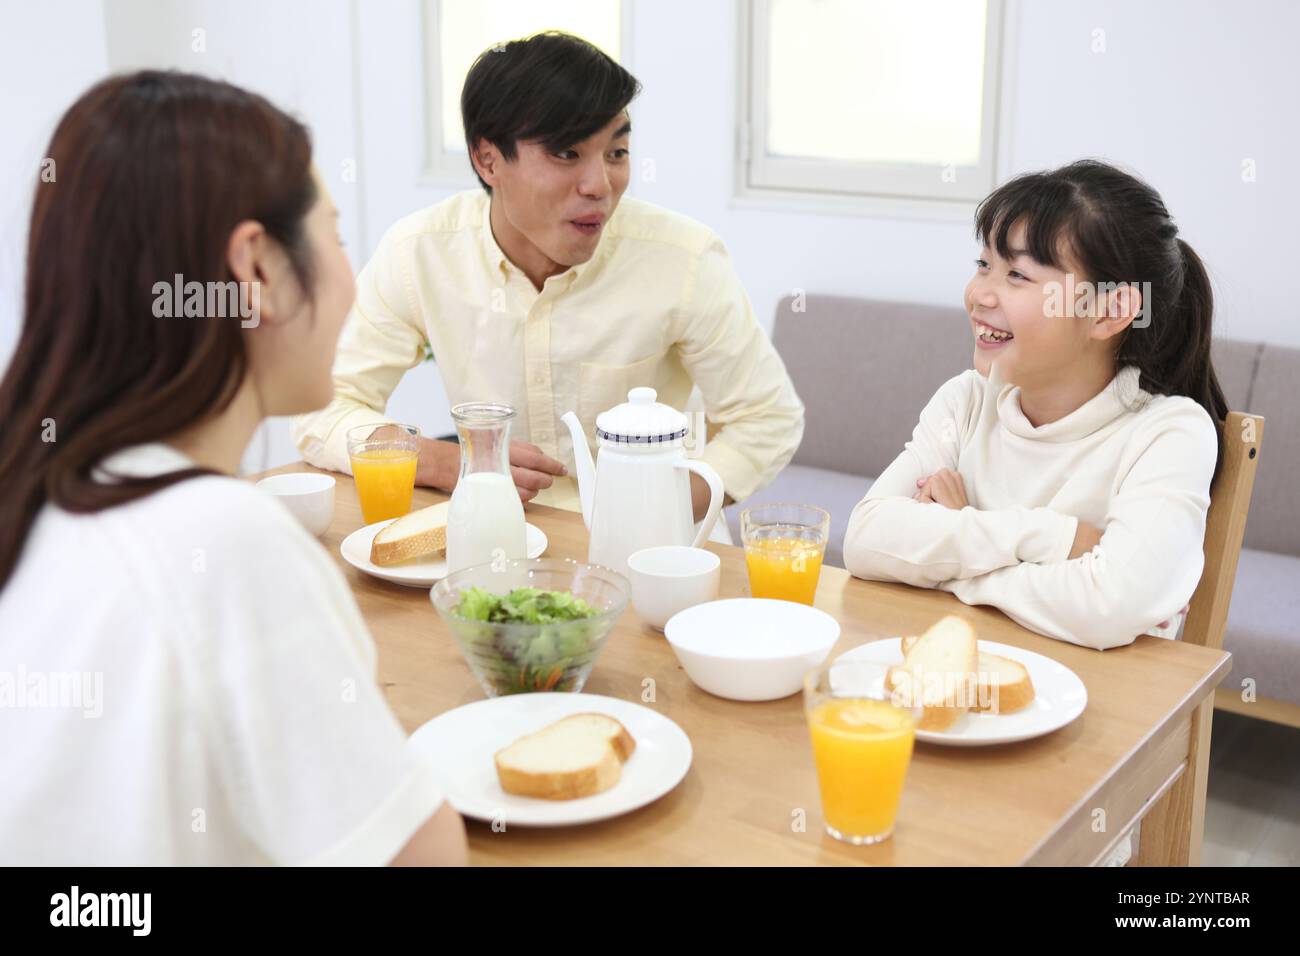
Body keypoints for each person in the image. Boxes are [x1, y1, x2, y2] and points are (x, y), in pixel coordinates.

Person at [0, 71, 466, 865]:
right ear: (255, 271)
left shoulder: (37, 490)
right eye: (337, 233)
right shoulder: (223, 542)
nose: (352, 279)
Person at [292, 32, 804, 519]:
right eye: (567, 153)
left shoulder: (683, 259)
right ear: (487, 159)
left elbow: (767, 419)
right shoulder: (418, 254)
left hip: (658, 555)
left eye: (616, 153)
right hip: (496, 539)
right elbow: (324, 407)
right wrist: (445, 462)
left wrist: (660, 511)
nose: (600, 185)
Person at [843, 160, 1225, 651]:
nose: (979, 293)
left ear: (1109, 311)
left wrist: (950, 552)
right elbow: (866, 541)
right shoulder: (966, 401)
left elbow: (1107, 608)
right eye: (984, 264)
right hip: (963, 679)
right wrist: (1055, 540)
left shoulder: (1170, 433)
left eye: (1017, 274)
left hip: (1101, 712)